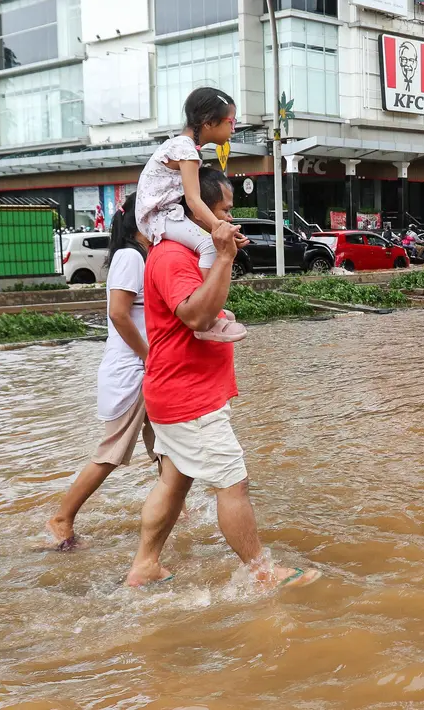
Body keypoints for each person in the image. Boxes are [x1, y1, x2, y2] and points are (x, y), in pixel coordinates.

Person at [124, 168, 318, 590]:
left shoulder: (182, 254)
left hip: (174, 392)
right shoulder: (174, 258)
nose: (230, 219)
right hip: (190, 398)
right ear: (196, 212)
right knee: (234, 483)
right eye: (224, 211)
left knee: (173, 482)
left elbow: (198, 313)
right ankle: (261, 573)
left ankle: (145, 565)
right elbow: (195, 315)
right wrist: (227, 256)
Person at [47, 195, 156, 550]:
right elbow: (119, 314)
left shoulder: (142, 256)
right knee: (111, 452)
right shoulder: (129, 257)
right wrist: (149, 355)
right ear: (141, 220)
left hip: (147, 369)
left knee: (170, 447)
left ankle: (172, 509)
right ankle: (62, 517)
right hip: (134, 371)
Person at [135, 86, 244, 343]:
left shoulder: (181, 146)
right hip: (159, 216)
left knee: (209, 243)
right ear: (208, 122)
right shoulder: (186, 149)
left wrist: (222, 228)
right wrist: (221, 229)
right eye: (231, 122)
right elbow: (194, 201)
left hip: (163, 213)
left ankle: (210, 312)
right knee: (208, 245)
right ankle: (210, 317)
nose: (233, 129)